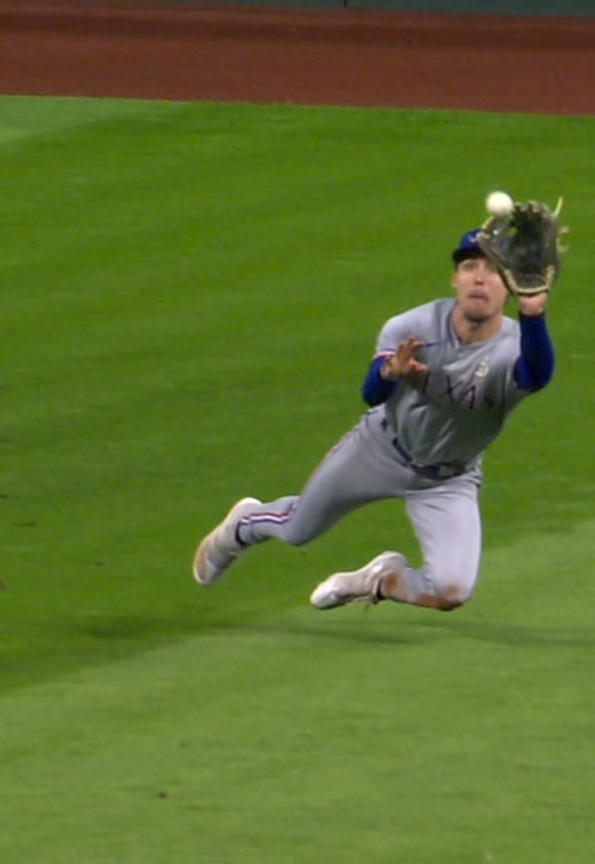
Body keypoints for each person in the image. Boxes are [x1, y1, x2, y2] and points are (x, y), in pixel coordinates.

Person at [191, 225, 555, 611]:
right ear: (454, 278)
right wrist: (389, 373)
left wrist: (533, 314)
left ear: (511, 284)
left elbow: (536, 374)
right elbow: (371, 394)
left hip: (449, 480)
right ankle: (243, 525)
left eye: (493, 269)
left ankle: (375, 580)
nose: (479, 278)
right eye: (469, 266)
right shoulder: (413, 327)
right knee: (297, 529)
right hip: (380, 448)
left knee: (451, 592)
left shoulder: (514, 347)